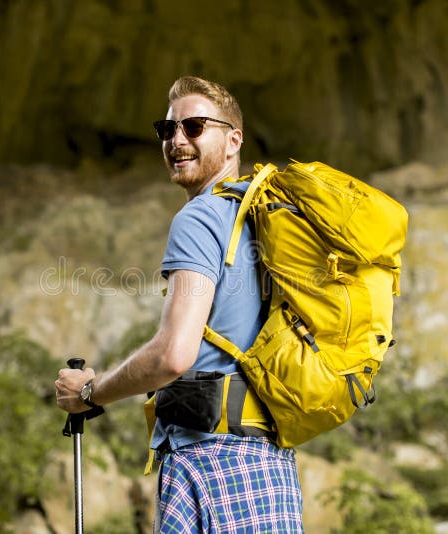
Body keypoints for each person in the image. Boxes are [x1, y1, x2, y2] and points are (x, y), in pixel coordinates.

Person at [55, 76, 304, 533]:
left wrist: (89, 393)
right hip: (269, 464)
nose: (177, 140)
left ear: (234, 140)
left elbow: (174, 353)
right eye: (167, 130)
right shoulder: (260, 220)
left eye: (194, 127)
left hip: (211, 463)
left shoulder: (201, 217)